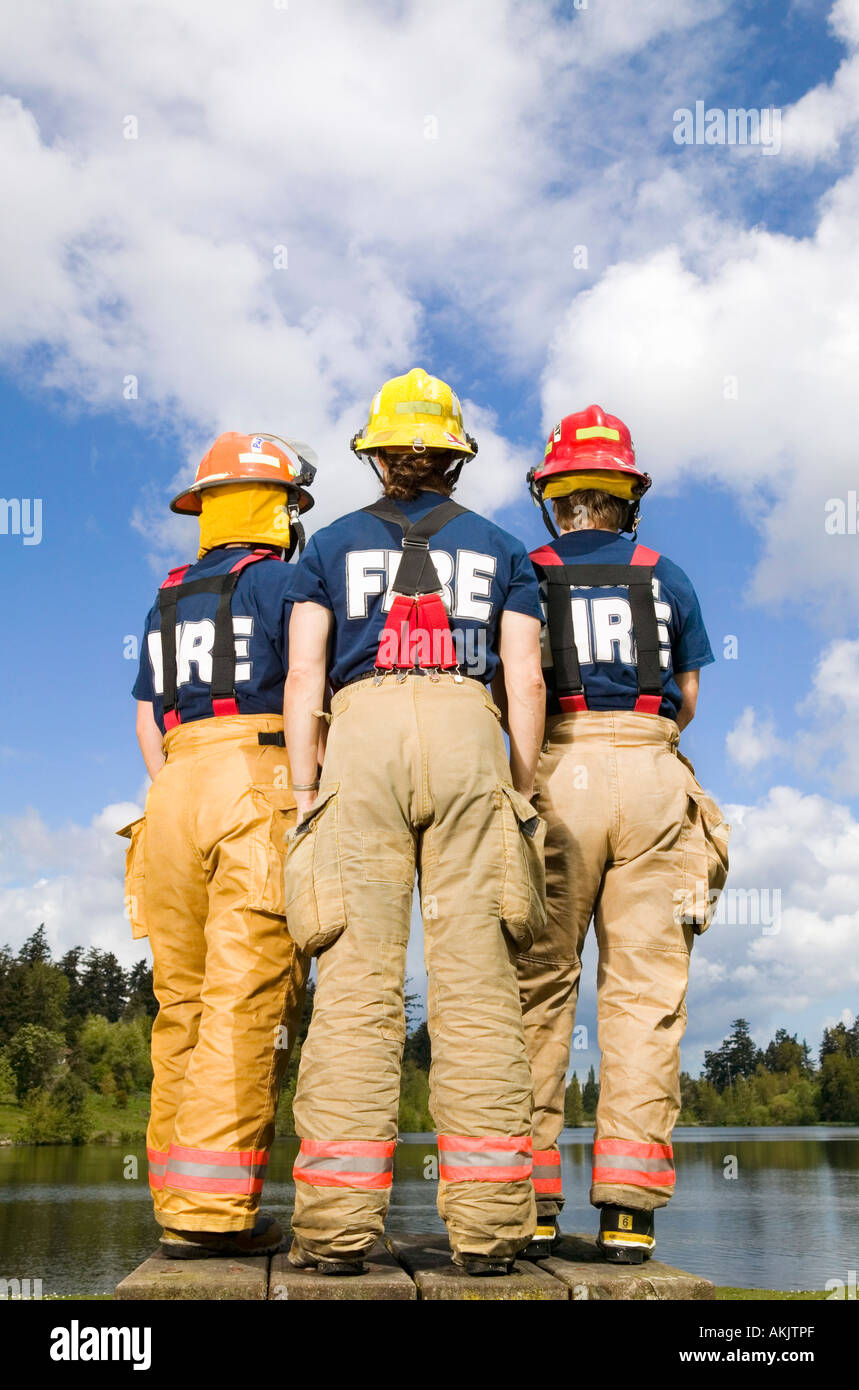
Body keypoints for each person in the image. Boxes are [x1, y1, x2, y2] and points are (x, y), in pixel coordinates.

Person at [282, 367, 548, 1276]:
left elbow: (303, 676)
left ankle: (333, 1232)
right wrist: (516, 786)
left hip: (360, 736)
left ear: (380, 452)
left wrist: (307, 786)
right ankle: (490, 1235)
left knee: (355, 987)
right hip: (472, 732)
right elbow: (526, 680)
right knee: (478, 991)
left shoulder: (327, 546)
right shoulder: (507, 551)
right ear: (455, 460)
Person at [519, 404, 729, 1264]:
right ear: (626, 499)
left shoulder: (520, 573)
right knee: (644, 1001)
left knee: (535, 989)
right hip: (651, 773)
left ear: (556, 499)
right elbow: (686, 698)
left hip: (553, 767)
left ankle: (527, 1204)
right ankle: (629, 1217)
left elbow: (509, 687)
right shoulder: (667, 575)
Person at [120, 431, 316, 1257]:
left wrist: (177, 786)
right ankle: (211, 1216)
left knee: (183, 1006)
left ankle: (175, 1199)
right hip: (257, 775)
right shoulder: (286, 582)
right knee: (247, 1003)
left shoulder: (165, 597)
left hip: (169, 792)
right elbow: (310, 684)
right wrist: (304, 794)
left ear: (207, 509)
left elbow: (144, 719)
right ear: (279, 509)